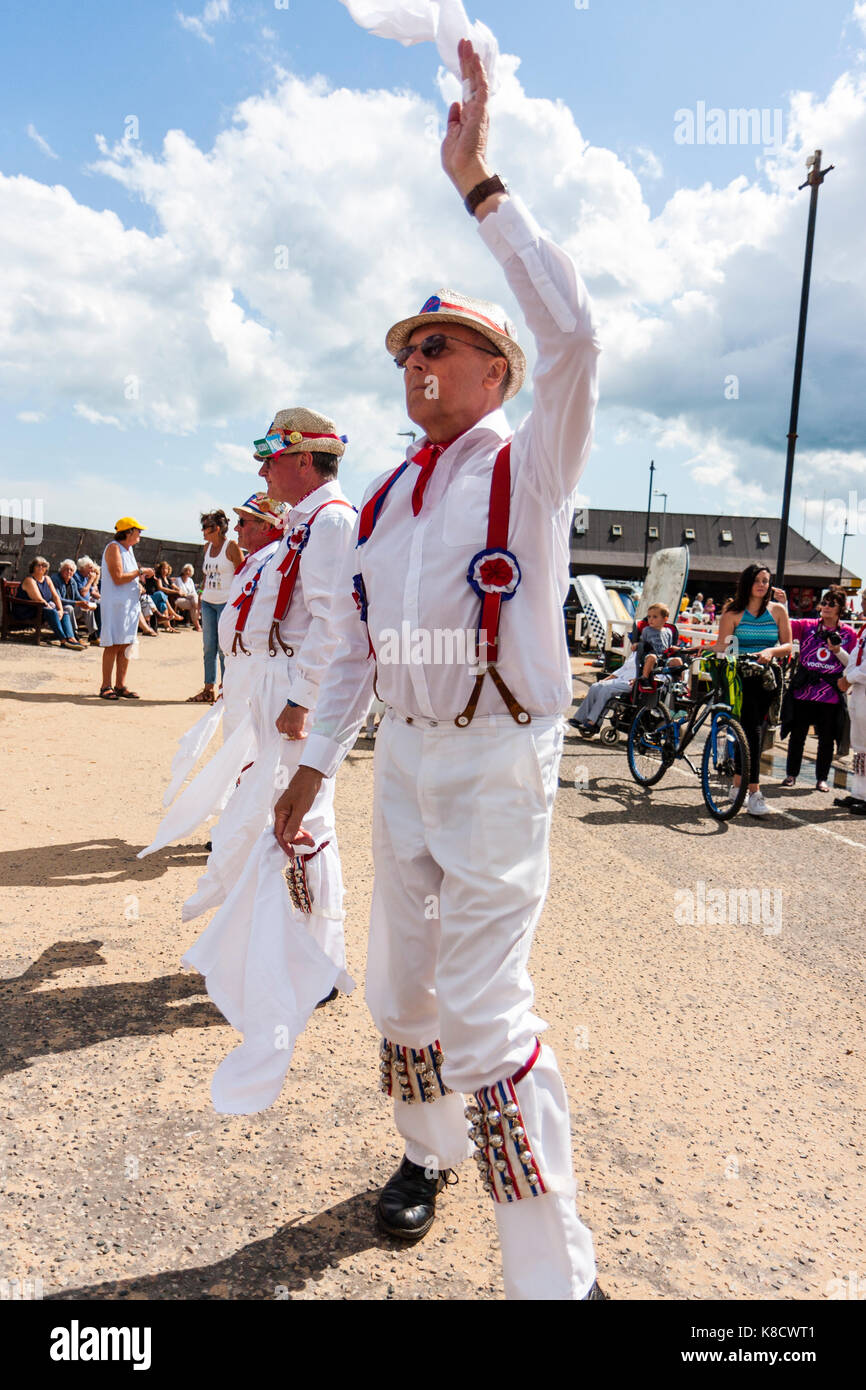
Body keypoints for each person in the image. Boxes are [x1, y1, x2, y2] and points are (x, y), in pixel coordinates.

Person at [272, 40, 603, 1302]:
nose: (418, 361)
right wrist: (309, 773)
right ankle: (424, 1156)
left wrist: (478, 185)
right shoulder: (386, 497)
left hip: (498, 753)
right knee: (402, 989)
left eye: (444, 345)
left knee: (483, 1009)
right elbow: (351, 650)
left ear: (496, 371)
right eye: (408, 349)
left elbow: (574, 329)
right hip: (404, 759)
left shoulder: (532, 461)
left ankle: (551, 1280)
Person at [179, 411, 356, 1116]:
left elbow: (336, 623)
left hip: (293, 699)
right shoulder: (309, 520)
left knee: (297, 826)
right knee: (287, 823)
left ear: (306, 462)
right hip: (275, 693)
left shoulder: (333, 522)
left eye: (270, 461)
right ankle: (307, 958)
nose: (261, 474)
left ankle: (301, 964)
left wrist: (303, 702)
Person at [138, 492, 288, 856]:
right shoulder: (256, 560)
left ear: (268, 528)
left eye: (246, 522)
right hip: (240, 669)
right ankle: (237, 824)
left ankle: (248, 829)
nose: (237, 528)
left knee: (254, 750)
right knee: (235, 748)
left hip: (258, 669)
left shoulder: (274, 559)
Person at [715, 565, 792, 815]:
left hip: (766, 679)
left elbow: (788, 646)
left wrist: (770, 651)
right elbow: (721, 646)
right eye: (757, 580)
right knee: (750, 732)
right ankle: (754, 792)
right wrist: (701, 650)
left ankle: (739, 785)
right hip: (739, 678)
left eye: (766, 581)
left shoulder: (778, 611)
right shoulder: (733, 612)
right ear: (747, 583)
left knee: (752, 732)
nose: (762, 585)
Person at [780, 587, 856, 792]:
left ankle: (822, 778)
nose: (826, 607)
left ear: (841, 609)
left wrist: (837, 650)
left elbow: (852, 665)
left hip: (829, 693)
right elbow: (783, 625)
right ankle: (791, 774)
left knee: (826, 740)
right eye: (825, 602)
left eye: (832, 604)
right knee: (797, 735)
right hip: (804, 689)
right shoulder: (808, 625)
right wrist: (784, 604)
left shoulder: (848, 633)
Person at [188, 511, 243, 703]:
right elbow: (205, 576)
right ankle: (208, 688)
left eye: (205, 527)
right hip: (209, 602)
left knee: (223, 648)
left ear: (216, 529)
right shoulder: (206, 548)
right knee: (208, 647)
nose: (202, 531)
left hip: (227, 603)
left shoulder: (232, 547)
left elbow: (243, 574)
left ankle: (227, 689)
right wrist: (200, 598)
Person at [99, 517, 154, 700]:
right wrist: (140, 572)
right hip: (116, 605)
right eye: (138, 530)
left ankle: (120, 685)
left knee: (126, 644)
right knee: (113, 644)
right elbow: (118, 577)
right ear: (128, 531)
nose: (140, 534)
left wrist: (137, 583)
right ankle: (105, 685)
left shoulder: (128, 550)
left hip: (129, 605)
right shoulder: (114, 547)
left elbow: (126, 578)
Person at [12, 557, 85, 649]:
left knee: (65, 612)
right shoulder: (29, 580)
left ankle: (72, 639)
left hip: (42, 610)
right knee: (52, 611)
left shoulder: (47, 579)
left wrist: (60, 610)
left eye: (44, 565)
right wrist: (53, 609)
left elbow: (55, 597)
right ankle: (63, 640)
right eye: (38, 565)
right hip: (28, 610)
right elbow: (39, 599)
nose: (41, 567)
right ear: (33, 567)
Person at [569, 648, 637, 735]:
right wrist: (605, 680)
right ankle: (580, 718)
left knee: (606, 690)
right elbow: (622, 670)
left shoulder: (648, 655)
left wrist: (636, 679)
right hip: (620, 680)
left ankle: (594, 722)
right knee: (595, 686)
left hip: (630, 684)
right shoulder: (635, 653)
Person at [837, 623, 866, 813]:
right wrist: (846, 676)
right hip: (859, 690)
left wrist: (849, 678)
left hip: (861, 684)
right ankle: (859, 793)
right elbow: (856, 656)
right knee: (860, 746)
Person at [53, 559, 99, 643]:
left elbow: (77, 596)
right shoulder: (55, 579)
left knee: (87, 608)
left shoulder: (72, 581)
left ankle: (93, 635)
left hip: (73, 608)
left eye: (71, 570)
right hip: (59, 609)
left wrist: (85, 603)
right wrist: (77, 603)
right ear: (61, 570)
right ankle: (74, 634)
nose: (68, 572)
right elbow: (58, 599)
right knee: (69, 607)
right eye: (66, 569)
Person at [171, 564, 201, 630]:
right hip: (180, 599)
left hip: (190, 600)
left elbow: (194, 592)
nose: (187, 572)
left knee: (193, 603)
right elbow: (176, 591)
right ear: (183, 571)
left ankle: (197, 626)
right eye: (186, 570)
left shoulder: (190, 580)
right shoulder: (178, 580)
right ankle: (198, 613)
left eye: (189, 571)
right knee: (194, 604)